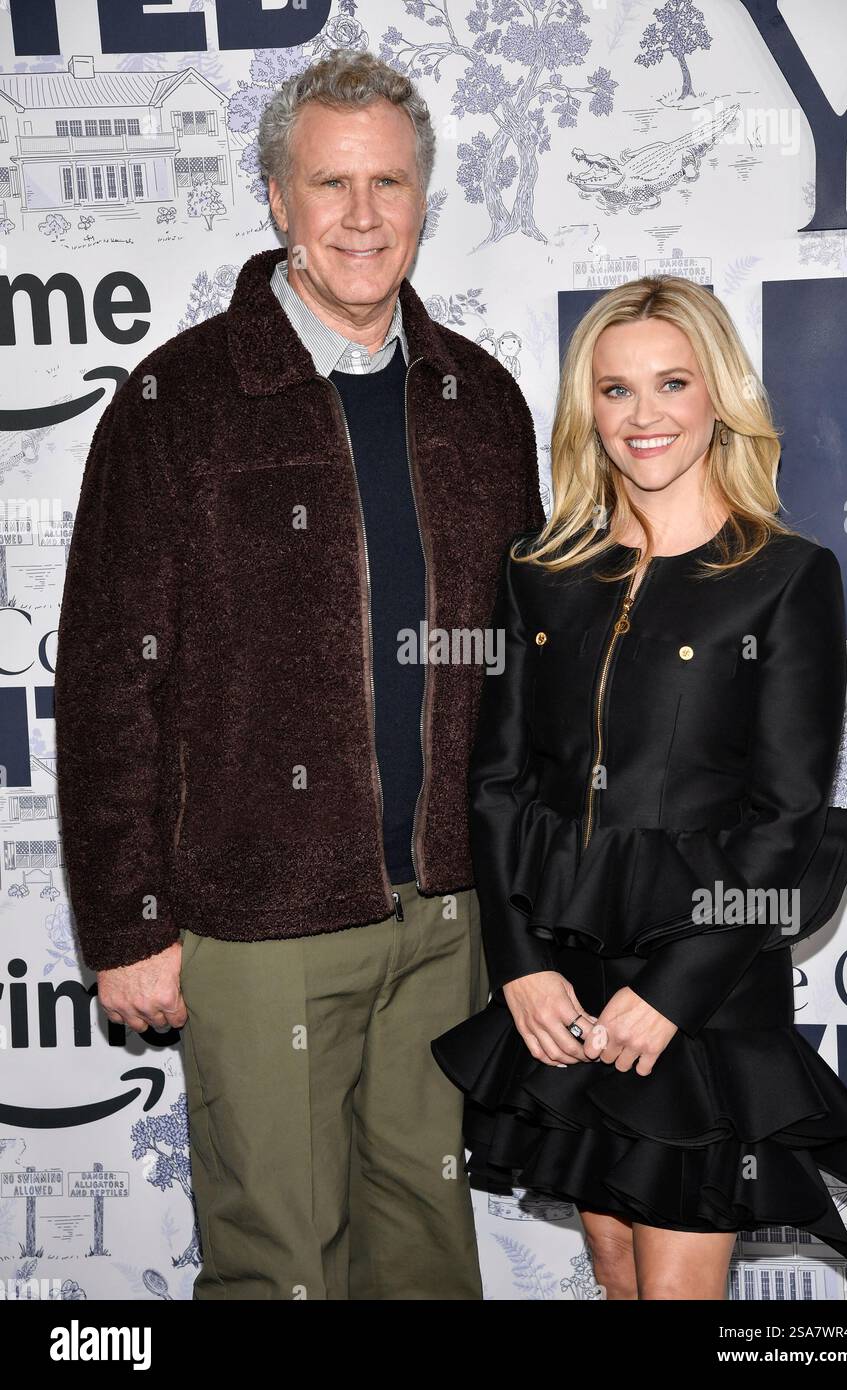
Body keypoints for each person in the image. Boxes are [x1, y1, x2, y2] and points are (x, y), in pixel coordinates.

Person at [53, 48, 544, 1300]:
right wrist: (125, 924)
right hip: (256, 916)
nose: (363, 216)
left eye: (389, 183)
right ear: (276, 197)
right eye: (332, 184)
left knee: (427, 1258)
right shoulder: (181, 398)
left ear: (426, 198)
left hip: (443, 916)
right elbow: (112, 677)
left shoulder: (478, 401)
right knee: (280, 1266)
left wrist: (524, 902)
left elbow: (525, 678)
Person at [431, 275, 847, 1301]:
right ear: (587, 406)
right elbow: (497, 782)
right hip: (565, 983)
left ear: (715, 395)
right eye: (615, 389)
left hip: (699, 994)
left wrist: (667, 995)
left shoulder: (783, 575)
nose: (643, 416)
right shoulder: (539, 569)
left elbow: (785, 825)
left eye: (670, 383)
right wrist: (522, 966)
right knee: (617, 1270)